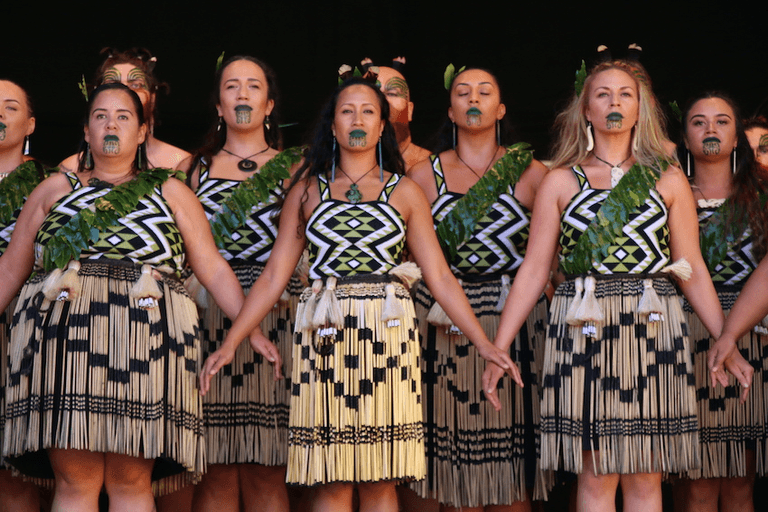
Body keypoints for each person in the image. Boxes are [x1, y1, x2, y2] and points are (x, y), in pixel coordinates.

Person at [199, 76, 522, 512]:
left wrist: (484, 343)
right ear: (332, 126)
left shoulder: (405, 192)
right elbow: (275, 273)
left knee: (379, 479)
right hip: (324, 337)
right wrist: (233, 339)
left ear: (382, 127)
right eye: (346, 111)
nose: (357, 119)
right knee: (331, 479)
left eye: (368, 111)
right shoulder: (308, 191)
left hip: (387, 339)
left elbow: (440, 277)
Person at [482, 49, 751, 512]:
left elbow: (692, 270)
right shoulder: (560, 181)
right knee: (596, 470)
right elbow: (533, 269)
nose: (615, 102)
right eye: (603, 94)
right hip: (581, 328)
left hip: (653, 326)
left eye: (626, 94)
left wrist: (726, 336)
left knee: (647, 472)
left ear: (639, 108)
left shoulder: (666, 179)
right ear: (585, 109)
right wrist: (498, 345)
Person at [0, 82, 246, 511]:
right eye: (100, 116)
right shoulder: (54, 190)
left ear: (141, 132)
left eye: (123, 116)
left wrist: (250, 328)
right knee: (75, 480)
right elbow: (9, 269)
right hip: (64, 348)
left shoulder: (172, 192)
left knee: (131, 480)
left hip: (146, 345)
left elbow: (212, 267)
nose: (110, 123)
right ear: (86, 132)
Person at [405, 66, 549, 512]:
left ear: (500, 108)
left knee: (511, 461)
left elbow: (551, 258)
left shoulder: (532, 172)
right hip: (443, 321)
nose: (473, 98)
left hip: (515, 320)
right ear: (450, 111)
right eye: (462, 92)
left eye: (485, 92)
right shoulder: (422, 174)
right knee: (446, 460)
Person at [179, 55, 301, 512]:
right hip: (207, 312)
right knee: (215, 463)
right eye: (232, 86)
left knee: (269, 464)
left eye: (254, 86)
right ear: (218, 105)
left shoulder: (298, 168)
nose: (243, 94)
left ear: (270, 105)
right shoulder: (193, 169)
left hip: (277, 311)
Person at [673, 92, 768, 512]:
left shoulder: (763, 194)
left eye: (722, 121)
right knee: (696, 484)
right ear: (684, 136)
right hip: (683, 336)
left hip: (751, 334)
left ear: (737, 139)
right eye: (698, 121)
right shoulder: (665, 194)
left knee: (739, 481)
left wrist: (734, 331)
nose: (710, 129)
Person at [0, 78, 47, 512]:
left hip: (21, 332)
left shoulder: (49, 186)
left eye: (9, 107)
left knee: (14, 468)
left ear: (29, 123)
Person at [59, 47, 190, 172]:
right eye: (113, 84)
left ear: (153, 99)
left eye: (135, 85)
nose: (124, 91)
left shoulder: (181, 164)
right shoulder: (70, 169)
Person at [361, 57, 431, 169]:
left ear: (409, 110)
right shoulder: (339, 168)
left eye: (392, 94)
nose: (381, 100)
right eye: (372, 94)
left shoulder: (431, 166)